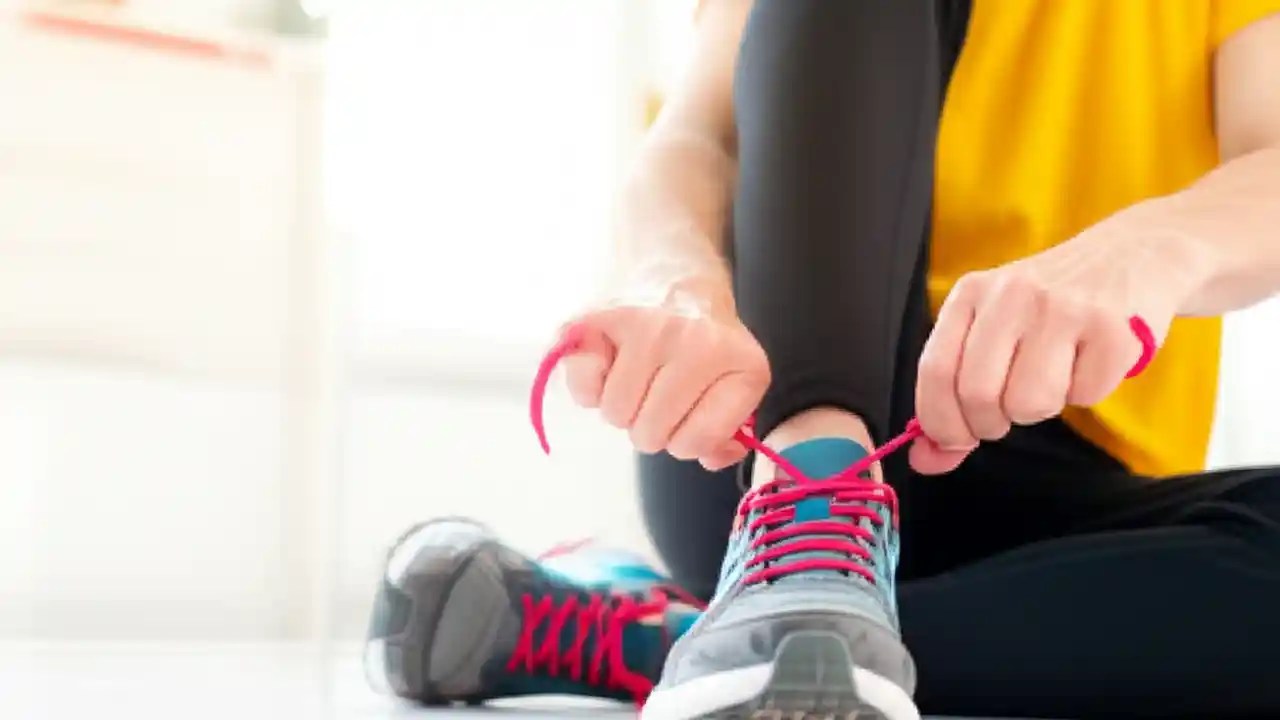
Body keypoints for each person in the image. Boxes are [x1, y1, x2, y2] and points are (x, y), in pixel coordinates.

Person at [363, 2, 1280, 719]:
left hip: (1071, 494)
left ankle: (686, 641)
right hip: (767, 421)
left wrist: (1144, 251)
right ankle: (814, 508)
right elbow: (695, 137)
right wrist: (676, 280)